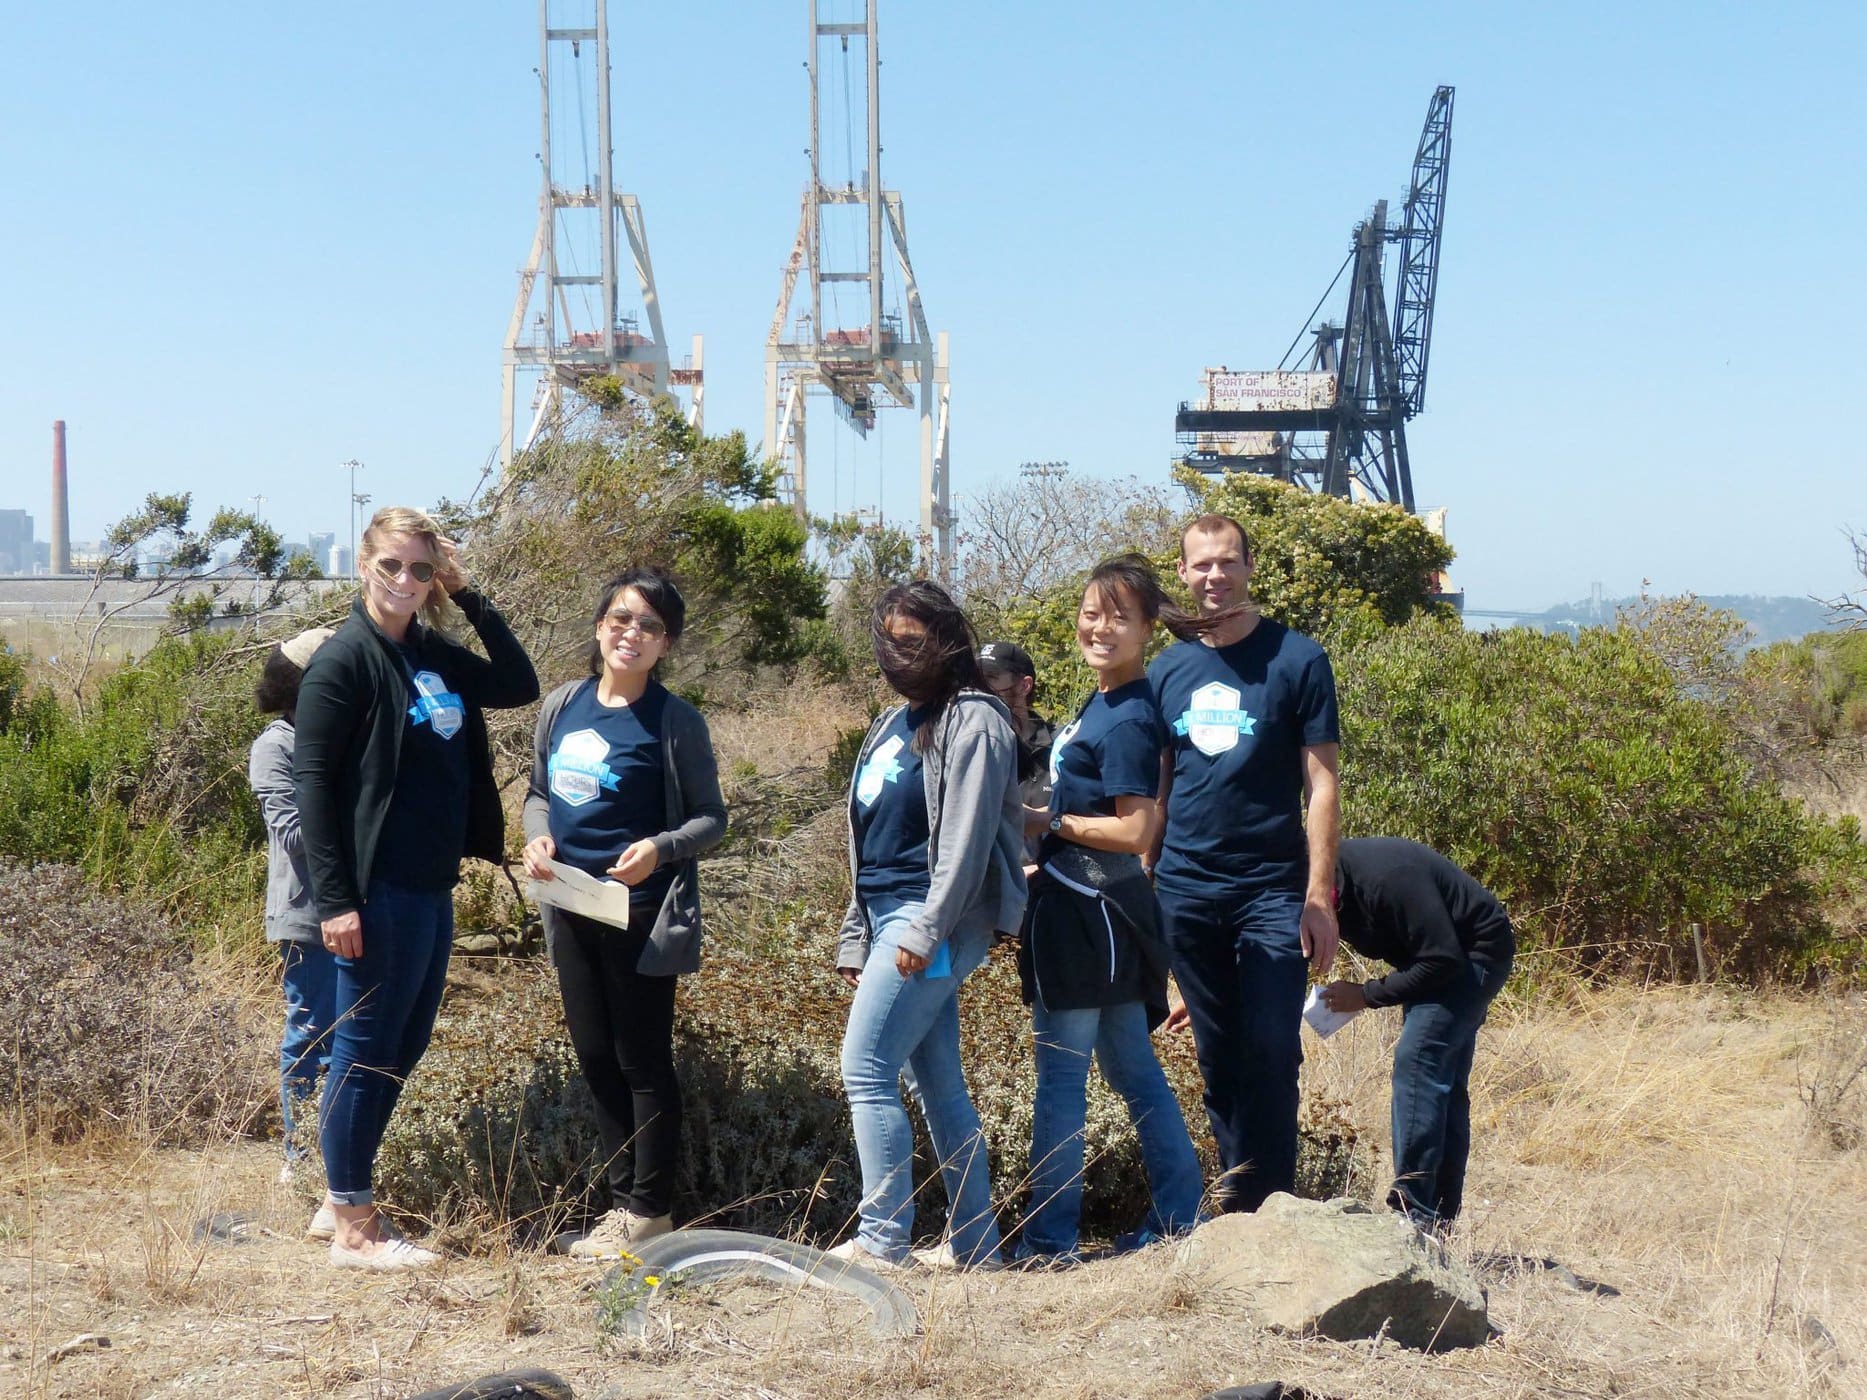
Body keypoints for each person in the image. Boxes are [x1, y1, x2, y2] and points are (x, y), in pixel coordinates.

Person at [295, 505, 539, 1270]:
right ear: (363, 565)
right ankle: (355, 1229)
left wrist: (468, 596)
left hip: (431, 882)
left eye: (421, 569)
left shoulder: (430, 652)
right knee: (364, 1047)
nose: (405, 580)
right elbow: (313, 788)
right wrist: (335, 901)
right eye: (392, 565)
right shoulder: (345, 661)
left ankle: (339, 1193)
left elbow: (517, 683)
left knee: (403, 1042)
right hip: (376, 888)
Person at [521, 567, 727, 1259]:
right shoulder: (563, 705)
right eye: (620, 618)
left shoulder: (675, 721)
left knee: (641, 1059)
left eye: (649, 625)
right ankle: (621, 1207)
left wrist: (659, 849)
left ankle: (649, 1212)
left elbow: (711, 818)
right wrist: (537, 836)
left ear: (666, 644)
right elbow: (539, 792)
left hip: (638, 912)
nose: (630, 633)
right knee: (594, 1056)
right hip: (569, 904)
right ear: (599, 625)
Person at [832, 581, 1026, 1272]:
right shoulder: (891, 723)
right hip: (889, 914)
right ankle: (977, 1245)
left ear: (948, 640)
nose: (899, 655)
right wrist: (856, 934)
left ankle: (883, 1238)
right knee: (935, 1081)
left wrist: (926, 930)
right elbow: (870, 840)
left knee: (865, 1069)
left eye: (913, 642)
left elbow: (967, 841)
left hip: (931, 916)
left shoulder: (975, 719)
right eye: (889, 642)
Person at [1150, 512, 1341, 1213]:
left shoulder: (1298, 659)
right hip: (1184, 887)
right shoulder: (1166, 670)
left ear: (1249, 567)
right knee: (1217, 1050)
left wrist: (1318, 896)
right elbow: (1158, 790)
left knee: (1271, 1044)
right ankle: (1238, 1203)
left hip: (1271, 887)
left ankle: (1274, 1205)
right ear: (1182, 572)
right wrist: (1145, 885)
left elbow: (1322, 784)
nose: (1215, 576)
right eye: (1201, 564)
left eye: (1227, 561)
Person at [1015, 556, 1204, 1261]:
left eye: (1119, 617)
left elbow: (1136, 830)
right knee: (1134, 1073)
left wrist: (1048, 824)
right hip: (1106, 912)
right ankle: (1180, 1217)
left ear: (1147, 628)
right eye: (1091, 614)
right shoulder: (1104, 700)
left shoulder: (1126, 717)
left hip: (1086, 916)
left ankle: (1049, 1239)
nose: (1100, 628)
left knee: (1062, 1080)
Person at [1318, 837, 1515, 1231]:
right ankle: (1438, 1219)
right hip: (1433, 957)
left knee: (1419, 1063)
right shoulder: (1319, 886)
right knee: (1444, 1082)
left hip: (1472, 954)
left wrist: (1366, 994)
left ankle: (1414, 1211)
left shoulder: (1384, 880)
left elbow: (1442, 959)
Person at [248, 625, 337, 1224]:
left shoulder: (343, 739)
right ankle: (300, 1155)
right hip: (306, 915)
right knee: (310, 1032)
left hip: (360, 911)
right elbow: (297, 835)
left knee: (350, 1037)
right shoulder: (275, 746)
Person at [978, 640, 1056, 817]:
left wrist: (1044, 818)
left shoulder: (1060, 749)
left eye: (990, 678)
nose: (979, 688)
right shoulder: (972, 747)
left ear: (1024, 686)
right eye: (976, 679)